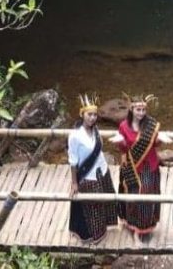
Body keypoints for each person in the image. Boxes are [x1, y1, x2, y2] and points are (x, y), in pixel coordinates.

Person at [110, 94, 167, 235]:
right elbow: (123, 149)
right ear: (131, 109)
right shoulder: (123, 126)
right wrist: (120, 143)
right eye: (138, 110)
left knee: (146, 194)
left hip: (149, 165)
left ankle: (144, 226)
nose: (141, 113)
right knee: (132, 194)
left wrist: (160, 140)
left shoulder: (151, 125)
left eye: (143, 110)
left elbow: (154, 144)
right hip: (131, 165)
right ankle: (132, 225)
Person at [67, 96, 117, 243]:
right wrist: (74, 182)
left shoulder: (95, 130)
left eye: (95, 115)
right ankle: (95, 234)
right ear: (82, 114)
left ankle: (106, 226)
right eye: (90, 114)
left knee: (106, 198)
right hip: (87, 175)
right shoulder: (75, 136)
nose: (92, 118)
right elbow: (73, 161)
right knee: (93, 204)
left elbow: (99, 150)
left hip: (102, 170)